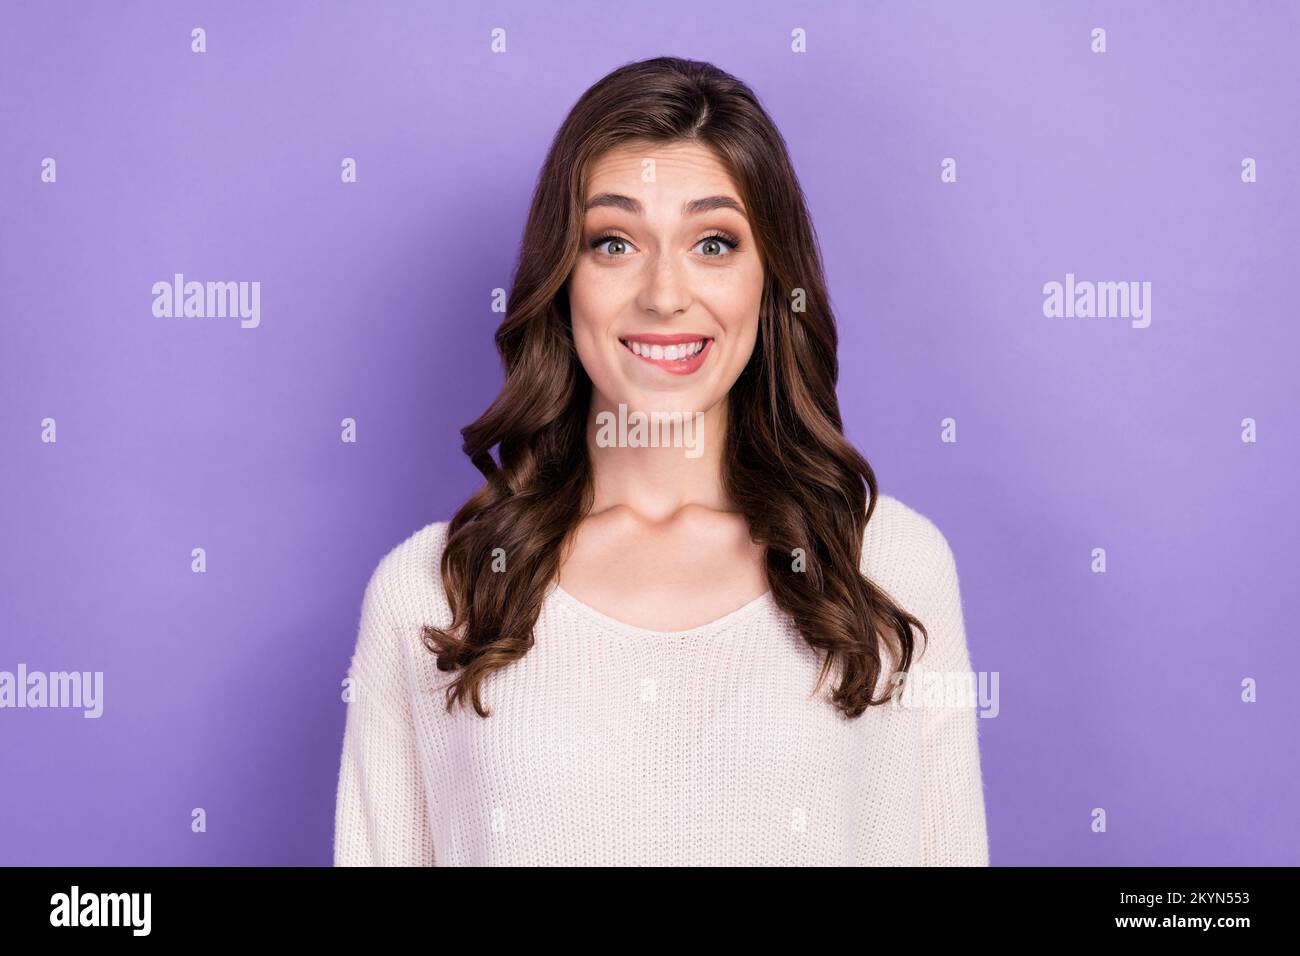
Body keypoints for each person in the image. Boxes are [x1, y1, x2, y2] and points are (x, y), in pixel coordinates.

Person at [333, 55, 989, 866]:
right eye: (614, 242)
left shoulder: (889, 566)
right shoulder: (434, 593)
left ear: (769, 280)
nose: (664, 293)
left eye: (713, 242)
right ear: (562, 280)